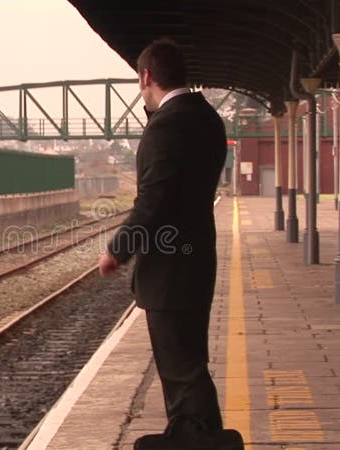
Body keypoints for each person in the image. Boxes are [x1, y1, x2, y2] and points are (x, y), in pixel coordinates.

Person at [98, 38, 241, 449]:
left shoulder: (166, 126)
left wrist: (118, 250)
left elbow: (153, 200)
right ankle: (195, 436)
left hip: (169, 270)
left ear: (146, 76)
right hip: (197, 260)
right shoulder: (207, 119)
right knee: (190, 365)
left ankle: (203, 440)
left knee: (181, 370)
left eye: (139, 82)